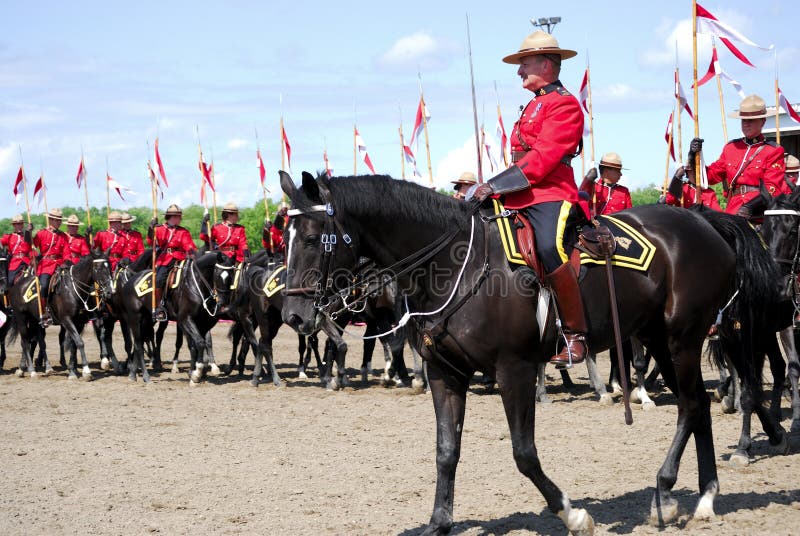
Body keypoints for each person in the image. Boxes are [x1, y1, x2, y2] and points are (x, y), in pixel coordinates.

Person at [472, 30, 586, 368]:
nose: (519, 71)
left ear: (548, 64)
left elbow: (544, 159)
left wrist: (494, 184)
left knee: (550, 248)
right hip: (519, 195)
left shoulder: (565, 104)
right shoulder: (533, 105)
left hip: (551, 193)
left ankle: (575, 334)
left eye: (525, 64)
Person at [689, 94, 785, 219]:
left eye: (751, 120)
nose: (746, 124)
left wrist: (750, 206)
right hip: (733, 210)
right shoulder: (731, 148)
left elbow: (772, 188)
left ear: (763, 121)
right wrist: (693, 155)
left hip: (759, 212)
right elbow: (709, 177)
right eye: (744, 120)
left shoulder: (773, 151)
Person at [148, 204, 197, 321]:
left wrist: (192, 254)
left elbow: (188, 244)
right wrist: (151, 229)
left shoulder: (183, 231)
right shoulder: (159, 229)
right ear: (170, 217)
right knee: (159, 279)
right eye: (177, 217)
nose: (179, 219)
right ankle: (159, 306)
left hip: (180, 258)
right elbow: (151, 242)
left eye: (179, 217)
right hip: (165, 259)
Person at [33, 208, 68, 327]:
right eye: (57, 220)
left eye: (60, 220)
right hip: (46, 265)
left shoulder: (63, 236)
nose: (59, 222)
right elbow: (31, 245)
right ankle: (43, 312)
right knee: (43, 286)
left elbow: (67, 252)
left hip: (59, 264)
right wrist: (28, 233)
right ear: (51, 220)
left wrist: (66, 262)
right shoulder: (42, 233)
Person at [0, 214, 33, 287]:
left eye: (21, 224)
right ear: (14, 225)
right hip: (15, 263)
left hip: (27, 261)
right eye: (17, 224)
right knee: (10, 281)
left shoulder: (27, 236)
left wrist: (29, 232)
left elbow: (31, 248)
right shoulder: (9, 236)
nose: (19, 226)